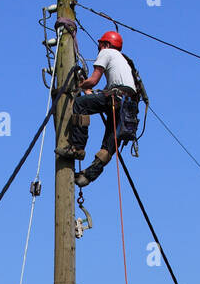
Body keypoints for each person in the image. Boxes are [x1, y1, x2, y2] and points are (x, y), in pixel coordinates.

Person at [56, 30, 143, 187]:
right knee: (110, 144)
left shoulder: (107, 52)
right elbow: (105, 89)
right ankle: (88, 176)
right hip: (127, 105)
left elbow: (94, 80)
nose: (98, 49)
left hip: (115, 98)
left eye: (100, 46)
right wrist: (88, 91)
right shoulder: (123, 61)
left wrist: (77, 86)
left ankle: (77, 148)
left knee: (80, 104)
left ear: (107, 44)